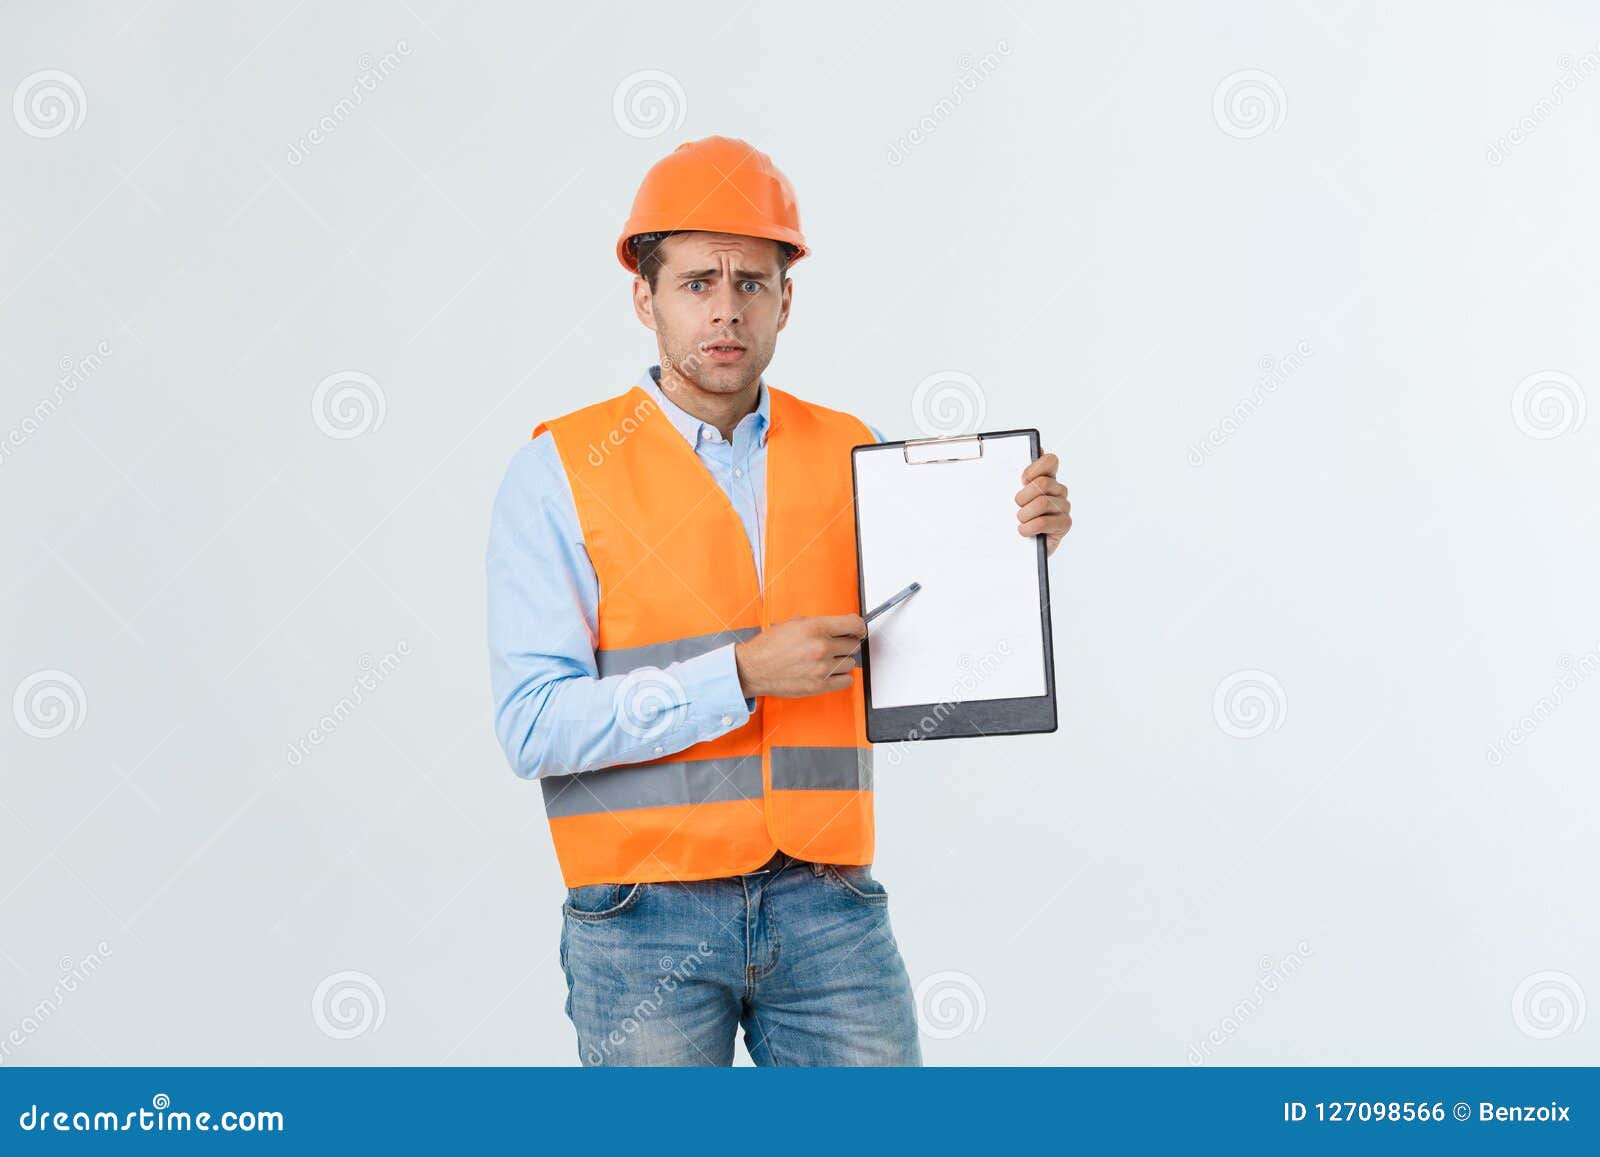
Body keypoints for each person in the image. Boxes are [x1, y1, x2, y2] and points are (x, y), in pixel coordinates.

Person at [485, 136, 1072, 1066]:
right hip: (640, 914)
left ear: (786, 300)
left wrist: (1017, 546)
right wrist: (743, 675)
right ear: (644, 298)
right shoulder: (559, 471)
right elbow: (533, 726)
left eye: (752, 283)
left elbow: (931, 634)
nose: (727, 309)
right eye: (697, 282)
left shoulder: (852, 449)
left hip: (827, 901)